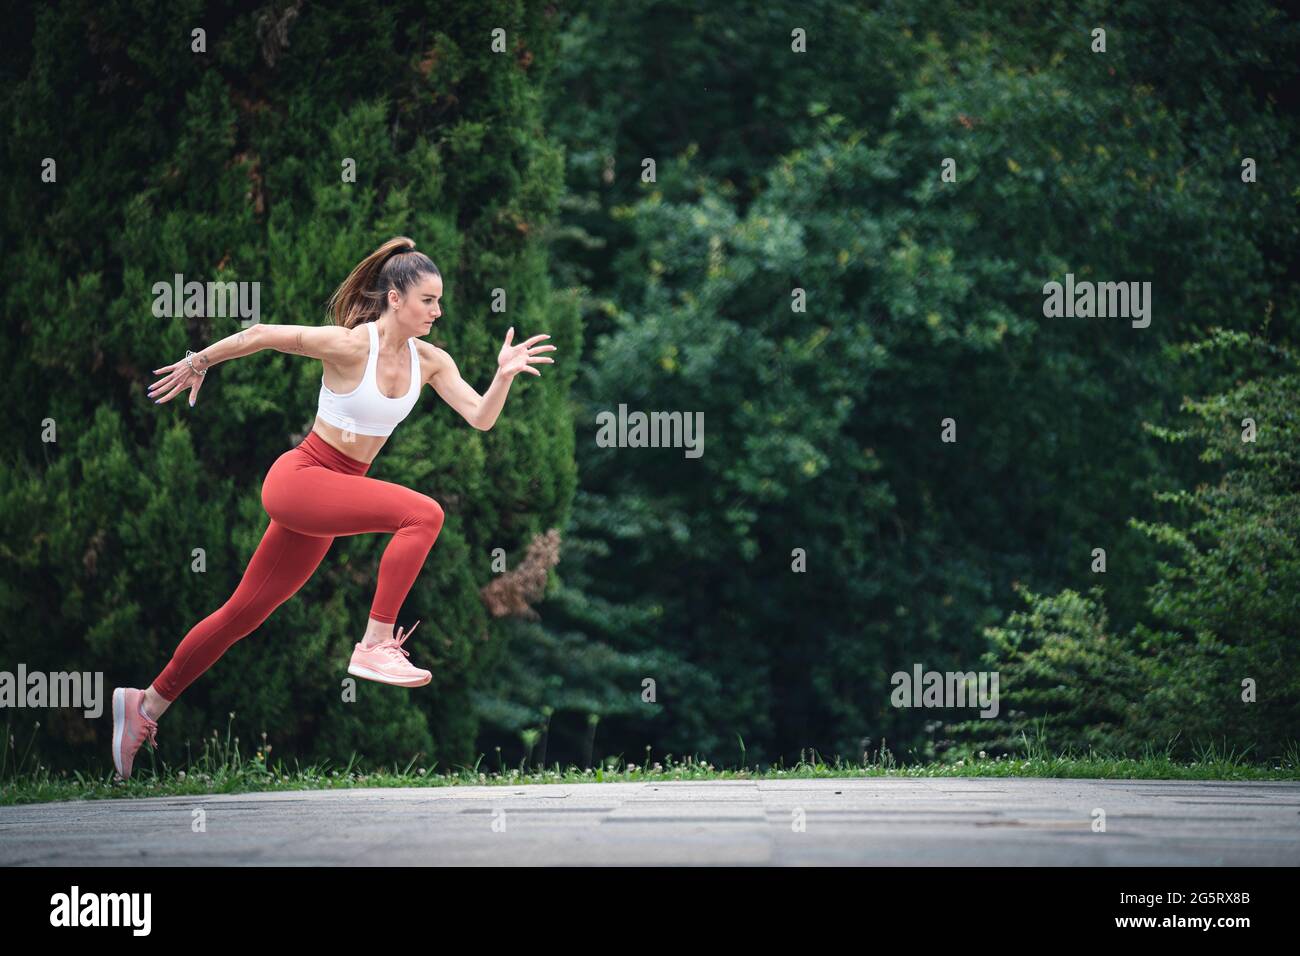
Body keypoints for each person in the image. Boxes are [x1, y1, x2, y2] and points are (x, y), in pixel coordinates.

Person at [110, 236, 556, 780]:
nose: (438, 311)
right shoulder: (350, 346)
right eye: (428, 300)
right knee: (425, 514)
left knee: (242, 614)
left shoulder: (433, 361)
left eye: (440, 301)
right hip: (300, 480)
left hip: (333, 494)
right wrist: (198, 360)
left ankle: (146, 704)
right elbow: (263, 335)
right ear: (395, 298)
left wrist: (502, 377)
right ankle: (374, 642)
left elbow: (481, 417)